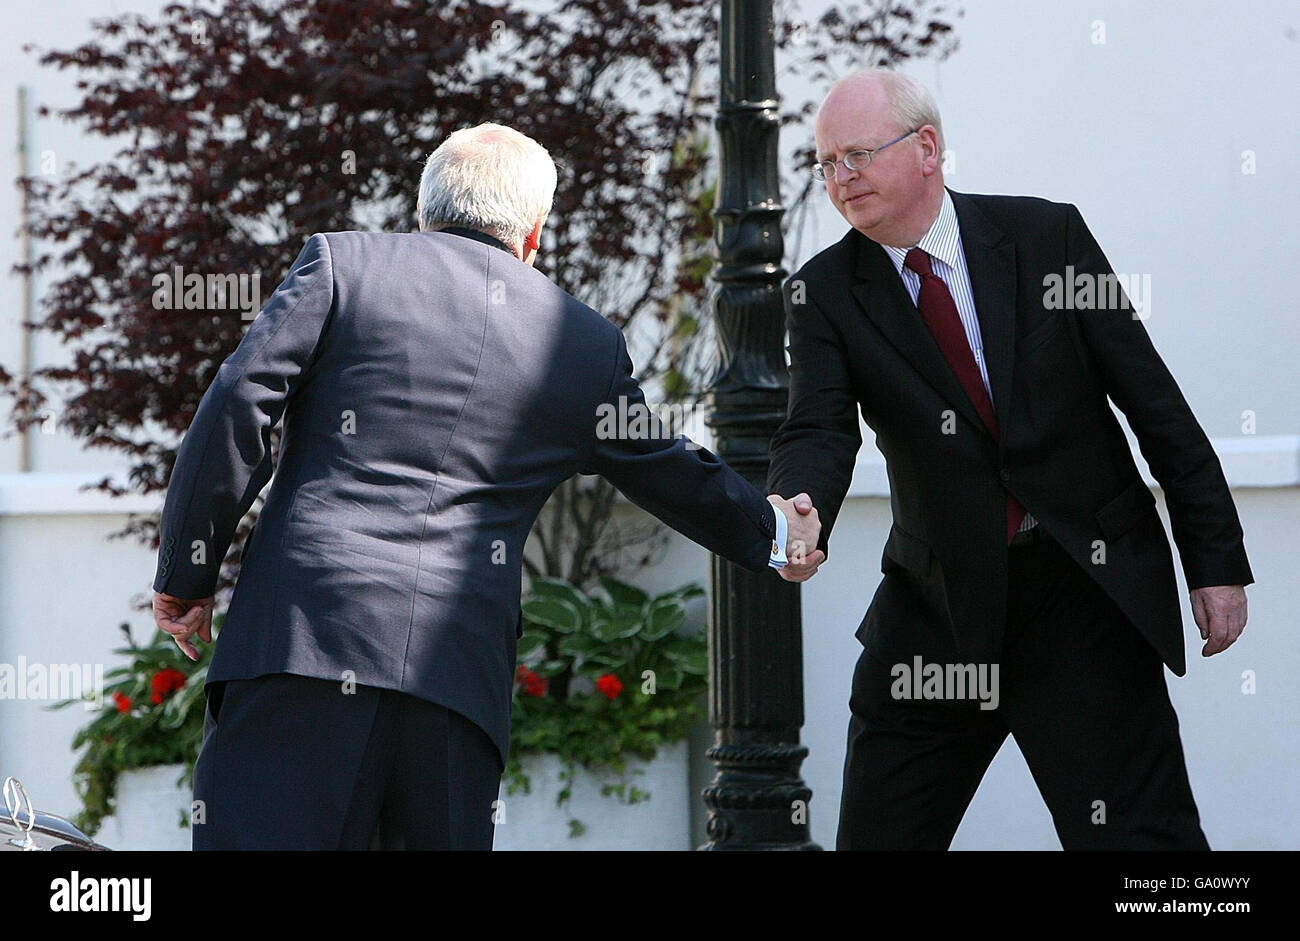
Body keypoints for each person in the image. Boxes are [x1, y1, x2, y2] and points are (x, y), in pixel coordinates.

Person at [151, 123, 822, 850]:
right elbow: (667, 468)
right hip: (451, 685)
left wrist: (186, 572)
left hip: (303, 647)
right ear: (533, 233)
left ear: (423, 210)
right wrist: (776, 530)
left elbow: (236, 403)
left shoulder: (343, 266)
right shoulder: (581, 342)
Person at [766, 70, 1252, 850]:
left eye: (857, 154)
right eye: (826, 162)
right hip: (938, 613)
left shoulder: (1045, 240)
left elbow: (1154, 404)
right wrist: (798, 506)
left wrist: (1215, 560)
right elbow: (817, 428)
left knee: (1143, 847)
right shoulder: (823, 293)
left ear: (927, 148)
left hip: (1082, 593)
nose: (840, 177)